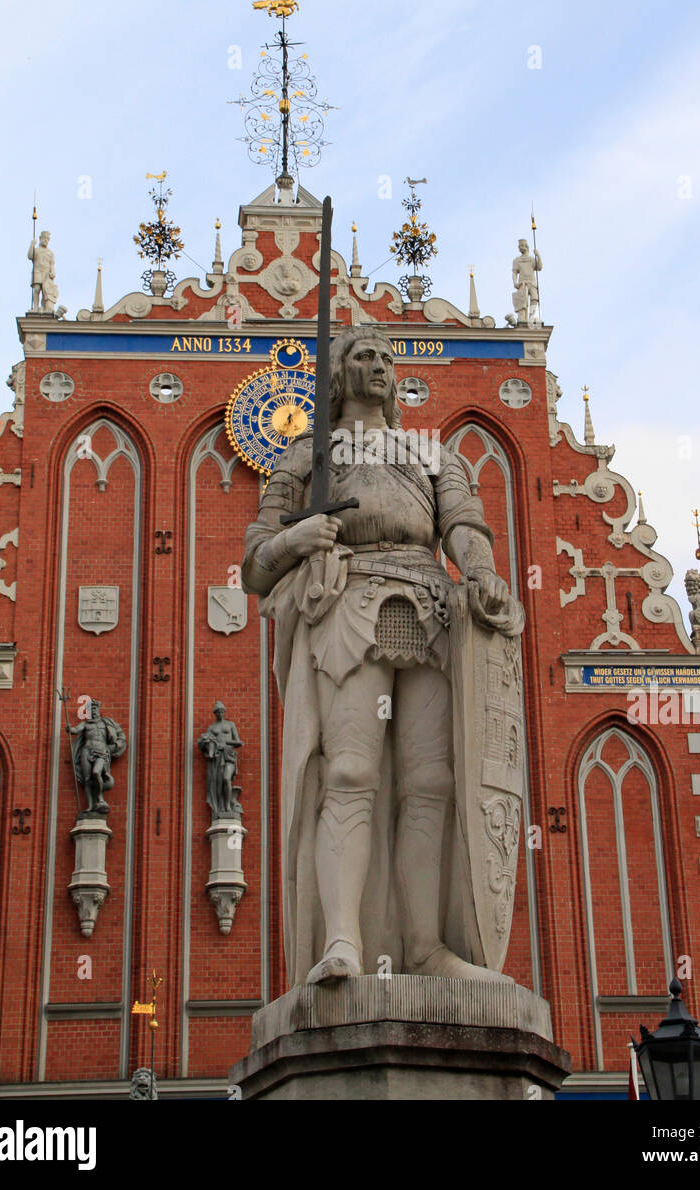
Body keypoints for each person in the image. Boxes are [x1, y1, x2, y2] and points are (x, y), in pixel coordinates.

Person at [242, 325, 525, 986]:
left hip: (428, 607)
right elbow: (256, 560)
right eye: (362, 356)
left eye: (385, 357)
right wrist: (299, 538)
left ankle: (425, 948)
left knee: (430, 784)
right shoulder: (307, 456)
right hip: (350, 600)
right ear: (338, 374)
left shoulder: (430, 452)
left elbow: (463, 525)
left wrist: (480, 574)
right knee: (349, 772)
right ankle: (342, 939)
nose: (377, 366)